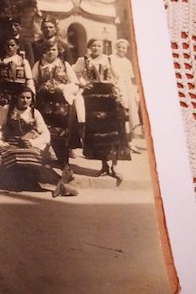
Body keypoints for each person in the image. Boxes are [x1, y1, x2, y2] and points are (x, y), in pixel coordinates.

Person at [73, 38, 129, 185]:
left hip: (109, 100)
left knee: (113, 133)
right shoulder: (83, 60)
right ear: (89, 47)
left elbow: (118, 77)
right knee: (98, 134)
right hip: (92, 101)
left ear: (102, 47)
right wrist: (83, 84)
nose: (96, 48)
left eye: (99, 45)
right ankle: (104, 166)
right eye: (93, 46)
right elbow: (73, 73)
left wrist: (116, 90)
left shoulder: (109, 60)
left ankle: (114, 167)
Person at [32, 42, 79, 178]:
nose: (51, 52)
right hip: (43, 104)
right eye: (48, 50)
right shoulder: (38, 65)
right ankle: (43, 162)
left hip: (61, 105)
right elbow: (33, 81)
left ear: (58, 51)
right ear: (44, 52)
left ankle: (64, 162)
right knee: (44, 131)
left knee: (61, 133)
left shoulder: (64, 65)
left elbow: (74, 83)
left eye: (53, 49)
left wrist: (64, 88)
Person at [0, 86, 51, 191]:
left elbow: (46, 134)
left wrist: (32, 142)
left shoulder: (34, 112)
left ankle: (29, 182)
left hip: (27, 144)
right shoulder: (7, 109)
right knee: (11, 154)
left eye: (28, 98)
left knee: (33, 154)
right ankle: (12, 182)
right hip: (10, 143)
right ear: (16, 97)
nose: (25, 100)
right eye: (22, 97)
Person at [110, 38, 141, 153]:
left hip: (127, 87)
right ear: (116, 48)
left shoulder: (127, 61)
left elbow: (129, 77)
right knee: (119, 113)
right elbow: (114, 74)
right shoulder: (112, 58)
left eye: (124, 48)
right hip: (117, 86)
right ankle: (118, 143)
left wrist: (133, 92)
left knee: (129, 113)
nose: (121, 50)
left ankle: (129, 141)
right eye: (119, 47)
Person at [0, 38, 34, 102]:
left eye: (12, 45)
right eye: (7, 45)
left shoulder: (23, 61)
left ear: (17, 46)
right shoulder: (0, 61)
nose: (10, 47)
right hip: (4, 91)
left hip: (19, 91)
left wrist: (31, 92)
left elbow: (29, 79)